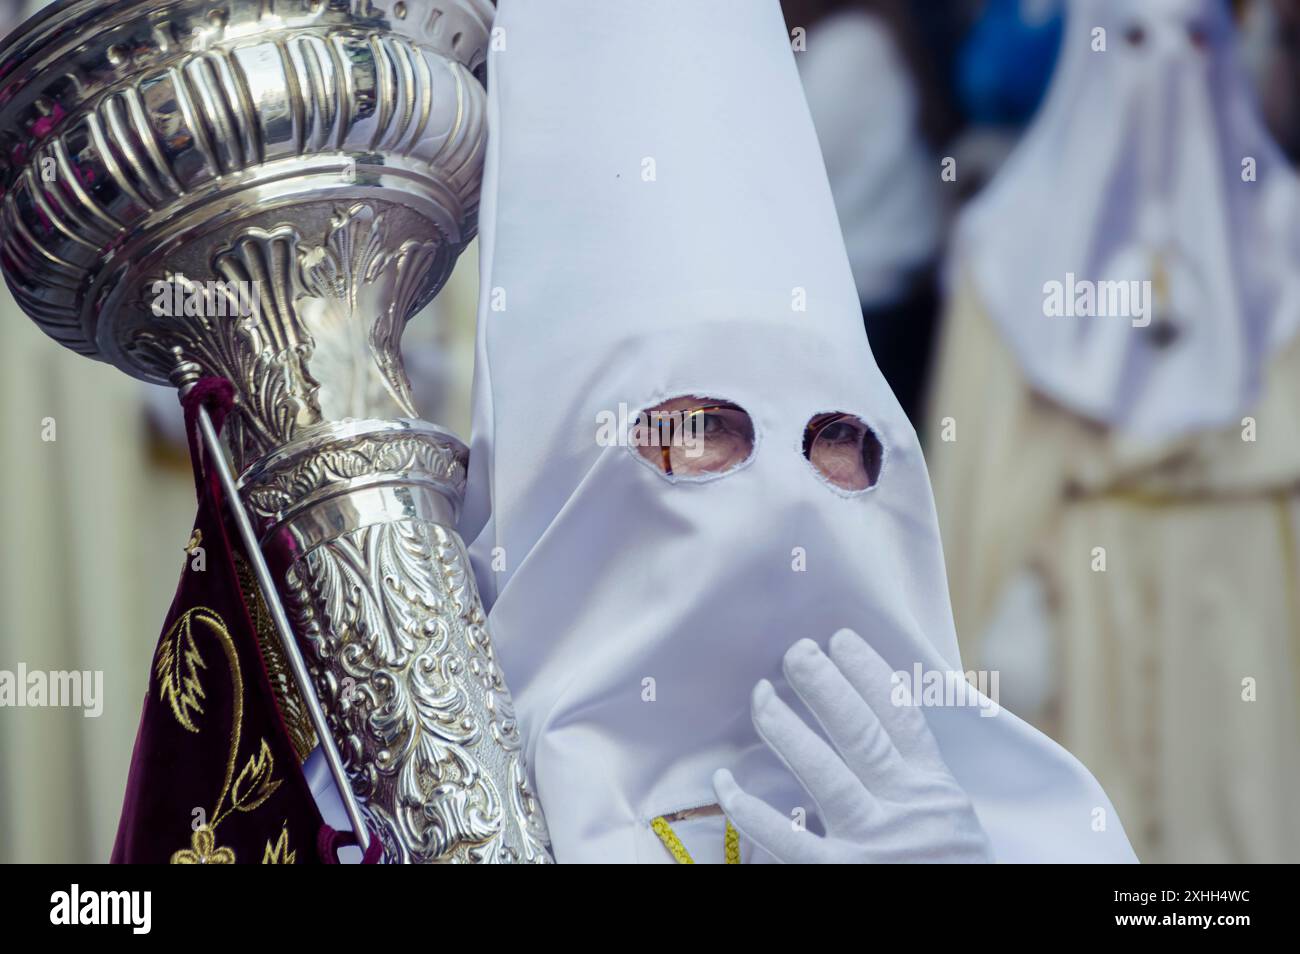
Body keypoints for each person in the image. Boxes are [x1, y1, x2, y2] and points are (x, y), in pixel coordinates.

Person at [450, 0, 1135, 863]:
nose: (782, 487)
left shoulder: (1027, 819)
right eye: (701, 429)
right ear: (562, 461)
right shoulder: (410, 779)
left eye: (834, 438)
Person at [928, 0, 1300, 862]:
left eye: (1192, 42)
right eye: (1134, 41)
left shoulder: (1282, 241)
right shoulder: (1011, 247)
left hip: (1243, 594)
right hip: (1081, 597)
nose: (1164, 72)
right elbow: (976, 477)